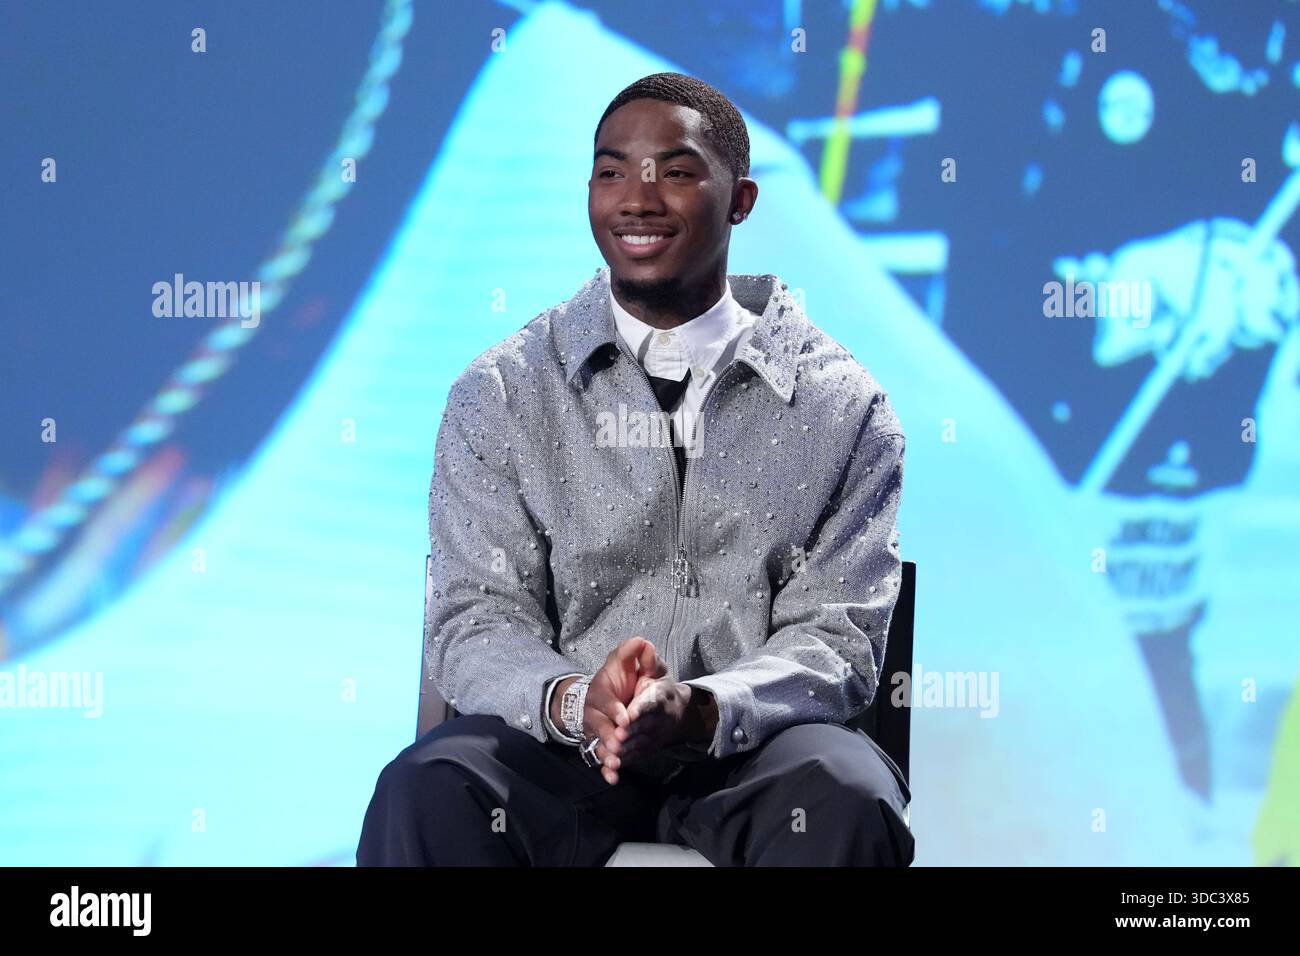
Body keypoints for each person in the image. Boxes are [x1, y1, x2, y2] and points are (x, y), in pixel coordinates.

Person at [356, 72, 912, 866]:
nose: (637, 200)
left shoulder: (842, 407)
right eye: (612, 172)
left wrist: (700, 707)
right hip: (559, 751)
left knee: (847, 791)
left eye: (676, 173)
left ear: (741, 200)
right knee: (432, 783)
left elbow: (840, 638)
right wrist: (577, 701)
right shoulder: (504, 392)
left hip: (753, 756)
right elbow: (475, 619)